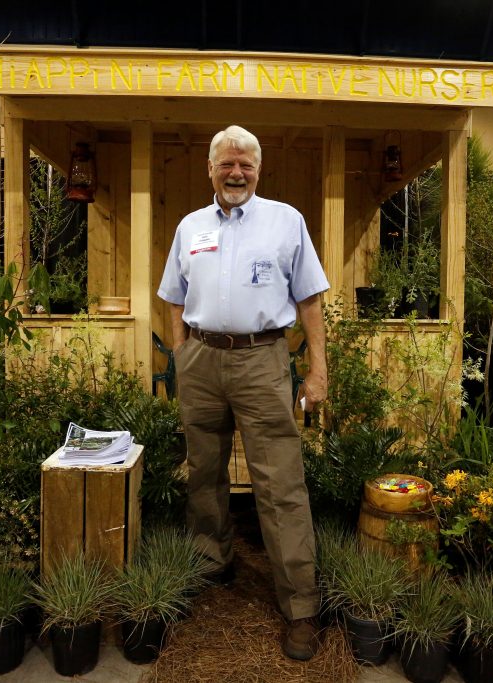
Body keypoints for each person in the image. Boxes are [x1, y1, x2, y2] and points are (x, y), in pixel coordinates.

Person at [156, 125, 329, 661]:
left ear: (259, 169)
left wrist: (318, 370)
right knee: (203, 471)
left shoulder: (286, 222)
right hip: (202, 360)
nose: (236, 173)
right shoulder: (190, 227)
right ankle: (213, 565)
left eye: (245, 165)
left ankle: (300, 605)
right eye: (226, 164)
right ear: (210, 169)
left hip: (263, 359)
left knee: (279, 482)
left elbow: (310, 302)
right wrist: (183, 353)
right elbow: (172, 297)